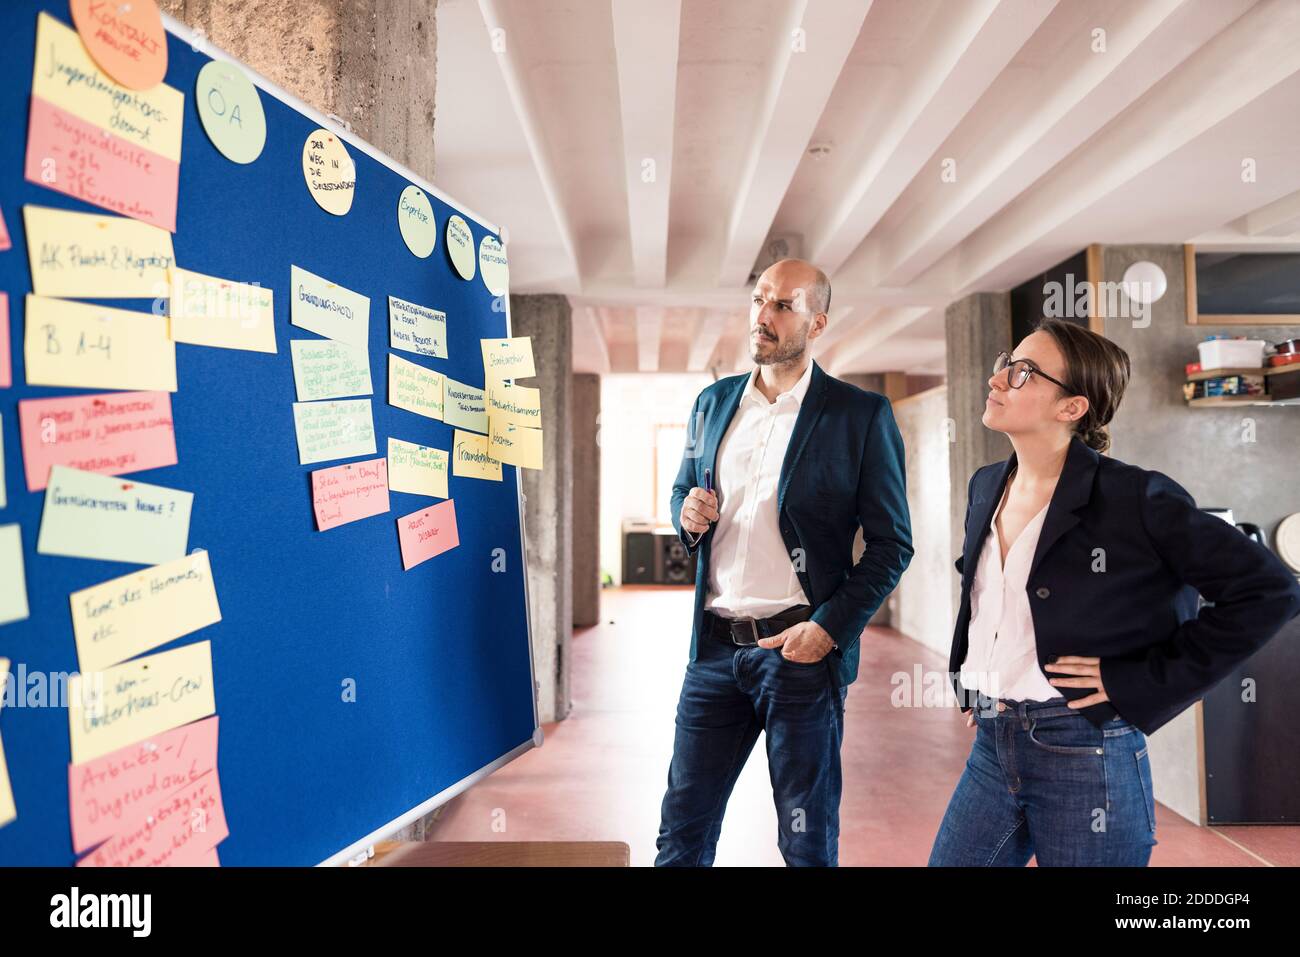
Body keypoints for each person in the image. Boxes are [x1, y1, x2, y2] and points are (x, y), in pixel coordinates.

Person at [929, 319, 1300, 866]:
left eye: (1023, 372)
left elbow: (1270, 591)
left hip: (1086, 750)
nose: (999, 377)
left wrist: (1140, 682)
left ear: (1071, 407)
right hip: (993, 743)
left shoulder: (1134, 496)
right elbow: (989, 596)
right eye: (1007, 362)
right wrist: (977, 678)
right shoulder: (987, 484)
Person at [654, 258, 913, 866]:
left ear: (816, 322)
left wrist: (829, 628)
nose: (763, 316)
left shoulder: (858, 416)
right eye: (759, 299)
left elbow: (892, 544)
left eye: (783, 306)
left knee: (806, 840)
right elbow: (681, 490)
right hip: (714, 653)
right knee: (681, 829)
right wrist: (685, 513)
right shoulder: (712, 404)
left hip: (799, 653)